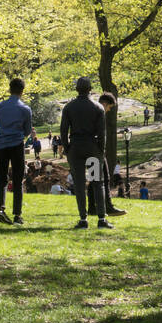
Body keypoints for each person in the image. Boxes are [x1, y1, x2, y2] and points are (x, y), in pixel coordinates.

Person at [59, 76, 110, 229]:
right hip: (92, 147)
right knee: (97, 182)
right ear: (90, 89)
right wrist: (101, 149)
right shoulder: (97, 108)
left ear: (77, 89)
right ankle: (101, 219)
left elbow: (63, 130)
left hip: (76, 148)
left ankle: (83, 219)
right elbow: (102, 133)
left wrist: (67, 148)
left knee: (80, 184)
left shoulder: (69, 107)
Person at [0, 77, 33, 226]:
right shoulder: (25, 109)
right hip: (16, 144)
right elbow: (28, 130)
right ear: (22, 91)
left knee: (2, 179)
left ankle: (0, 209)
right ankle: (17, 215)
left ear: (9, 89)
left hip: (1, 145)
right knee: (17, 180)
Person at [94, 93, 127, 217]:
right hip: (96, 151)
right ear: (105, 104)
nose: (109, 110)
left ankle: (93, 207)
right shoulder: (99, 113)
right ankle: (108, 207)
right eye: (109, 107)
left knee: (94, 180)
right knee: (105, 178)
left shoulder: (94, 112)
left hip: (92, 150)